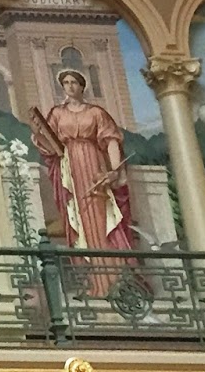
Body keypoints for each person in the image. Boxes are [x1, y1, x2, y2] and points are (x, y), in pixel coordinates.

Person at [28, 68, 133, 296]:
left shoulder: (96, 113)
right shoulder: (57, 113)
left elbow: (111, 141)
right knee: (79, 218)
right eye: (65, 82)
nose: (70, 86)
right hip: (70, 171)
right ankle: (94, 282)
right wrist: (38, 132)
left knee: (101, 218)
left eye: (74, 82)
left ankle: (114, 280)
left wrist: (114, 171)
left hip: (93, 165)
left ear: (82, 86)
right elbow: (50, 144)